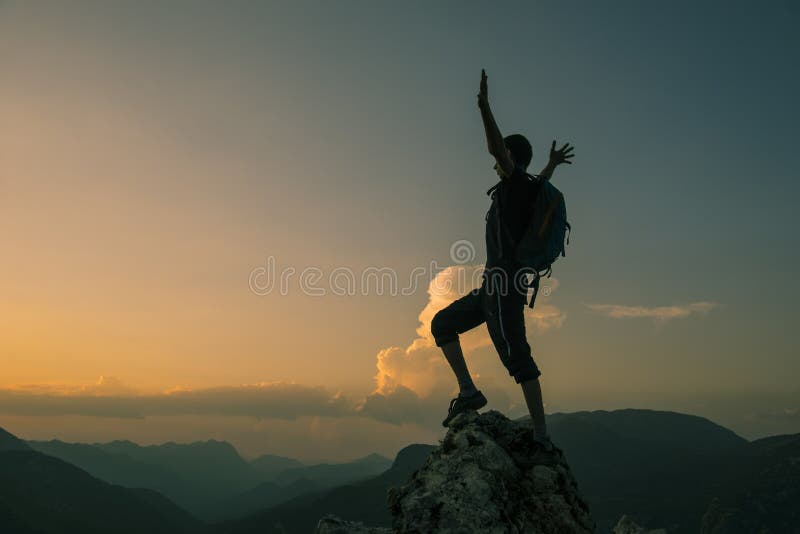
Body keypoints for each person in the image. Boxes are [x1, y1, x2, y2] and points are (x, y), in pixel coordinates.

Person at [430, 69, 574, 459]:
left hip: (504, 288)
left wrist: (484, 107)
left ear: (511, 159)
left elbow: (497, 150)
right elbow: (533, 183)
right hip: (490, 286)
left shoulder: (514, 186)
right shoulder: (524, 189)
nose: (496, 161)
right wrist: (552, 166)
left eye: (503, 157)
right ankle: (468, 392)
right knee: (442, 323)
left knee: (517, 357)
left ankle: (541, 438)